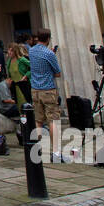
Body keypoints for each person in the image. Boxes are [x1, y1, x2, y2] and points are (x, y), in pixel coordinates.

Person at [28, 28, 67, 162]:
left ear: (38, 38)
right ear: (49, 39)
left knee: (38, 120)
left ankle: (36, 149)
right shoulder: (49, 54)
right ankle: (56, 152)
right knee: (53, 121)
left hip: (35, 89)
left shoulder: (31, 51)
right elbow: (57, 73)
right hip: (48, 89)